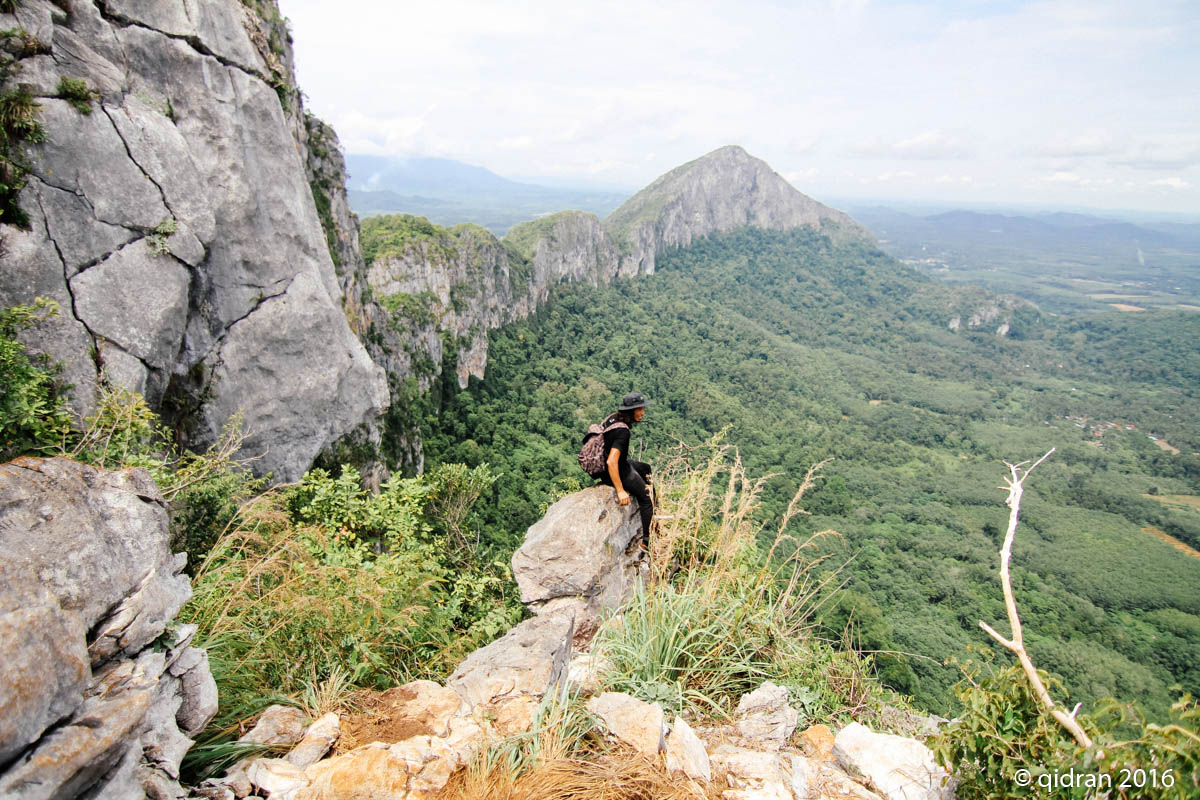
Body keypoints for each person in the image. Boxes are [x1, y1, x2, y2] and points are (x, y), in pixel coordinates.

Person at [598, 392, 654, 543]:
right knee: (646, 498)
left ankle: (654, 513)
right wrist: (620, 490)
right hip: (615, 471)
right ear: (631, 411)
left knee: (646, 468)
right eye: (639, 409)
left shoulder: (612, 418)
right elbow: (611, 462)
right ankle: (647, 541)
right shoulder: (623, 432)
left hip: (612, 466)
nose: (643, 413)